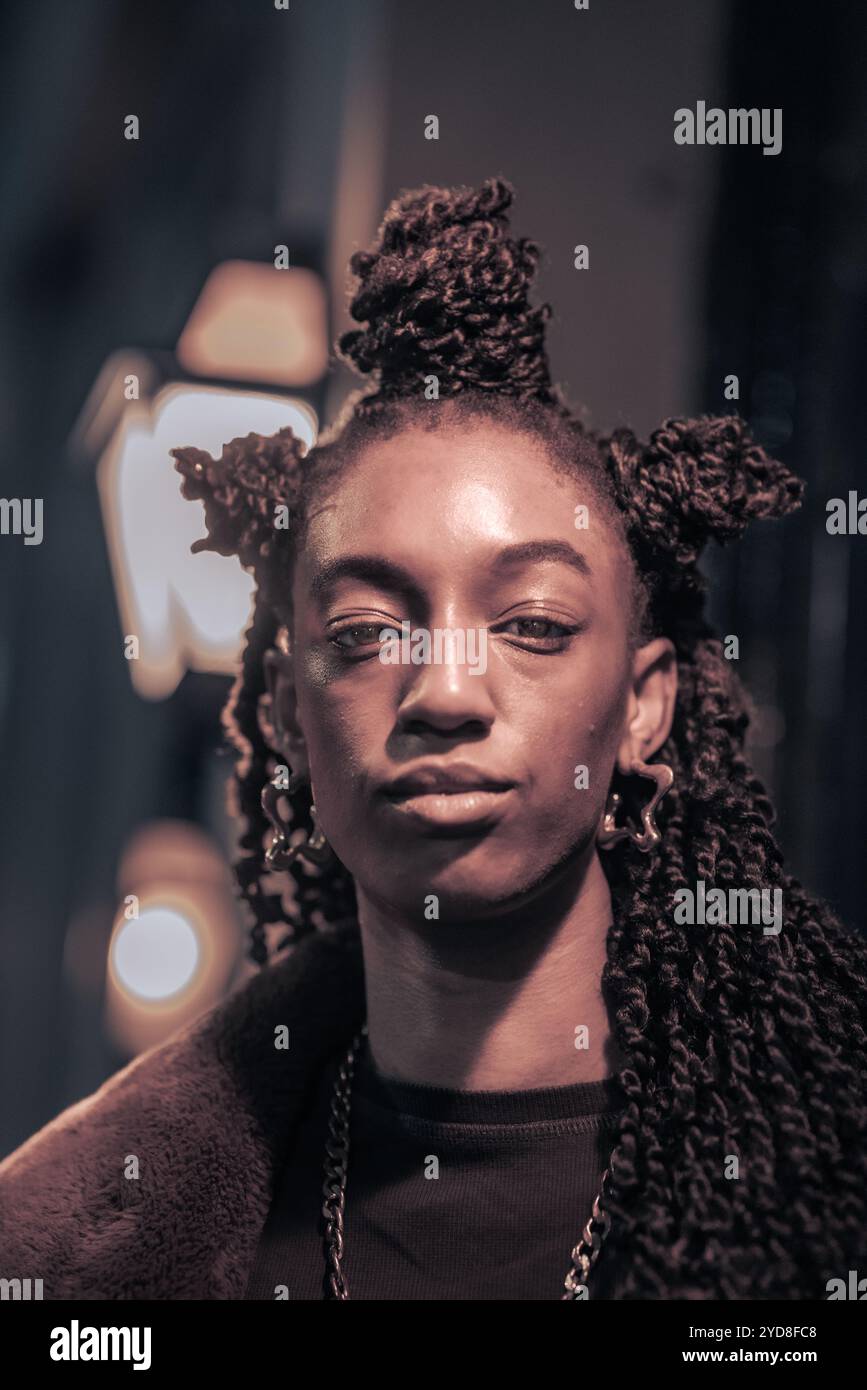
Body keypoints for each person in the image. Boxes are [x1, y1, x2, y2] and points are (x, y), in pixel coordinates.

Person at [1, 177, 865, 1301]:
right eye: (365, 632)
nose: (446, 692)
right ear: (285, 715)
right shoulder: (79, 1265)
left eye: (535, 625)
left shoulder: (826, 1184)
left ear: (645, 707)